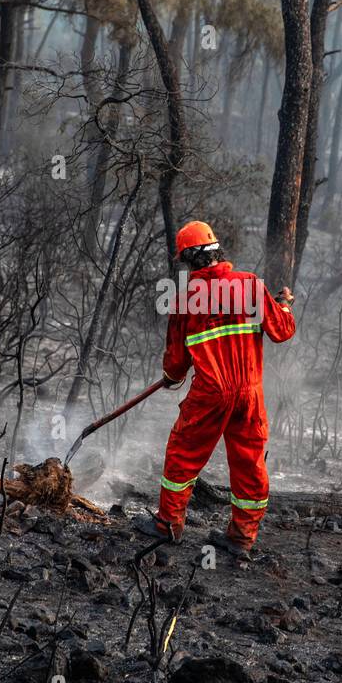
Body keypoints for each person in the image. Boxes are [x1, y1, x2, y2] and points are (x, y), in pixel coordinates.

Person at [133, 220, 295, 559]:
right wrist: (283, 306)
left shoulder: (185, 299)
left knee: (183, 454)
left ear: (188, 260)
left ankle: (169, 527)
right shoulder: (250, 285)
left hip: (211, 393)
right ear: (217, 251)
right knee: (250, 464)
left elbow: (176, 365)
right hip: (249, 395)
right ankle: (240, 539)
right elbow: (281, 331)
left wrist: (170, 375)